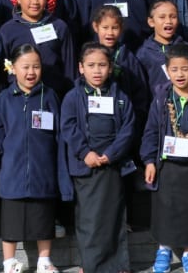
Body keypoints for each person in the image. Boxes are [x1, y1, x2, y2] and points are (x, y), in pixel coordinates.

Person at [0, 45, 72, 273]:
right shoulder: (4, 99)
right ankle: (9, 262)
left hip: (43, 169)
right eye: (25, 67)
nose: (31, 72)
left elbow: (60, 135)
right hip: (12, 170)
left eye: (36, 66)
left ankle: (44, 260)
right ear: (13, 68)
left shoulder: (50, 96)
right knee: (11, 219)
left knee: (43, 217)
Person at [60, 43, 136, 273]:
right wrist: (86, 153)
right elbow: (68, 127)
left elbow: (128, 129)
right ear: (80, 68)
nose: (97, 71)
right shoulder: (73, 97)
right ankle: (91, 266)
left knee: (113, 217)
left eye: (102, 65)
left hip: (112, 165)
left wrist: (111, 154)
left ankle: (117, 265)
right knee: (90, 221)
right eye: (91, 65)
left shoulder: (120, 96)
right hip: (87, 167)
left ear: (110, 68)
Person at [141, 43, 188, 273]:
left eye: (185, 69)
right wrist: (149, 161)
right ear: (167, 71)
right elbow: (151, 130)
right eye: (174, 70)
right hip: (166, 165)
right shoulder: (162, 97)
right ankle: (163, 249)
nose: (180, 74)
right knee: (164, 209)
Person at [0, 0, 77, 96]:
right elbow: (1, 72)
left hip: (53, 95)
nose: (35, 2)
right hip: (17, 97)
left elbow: (69, 69)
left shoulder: (59, 27)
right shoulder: (7, 31)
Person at [135, 0, 188, 90]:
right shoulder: (143, 53)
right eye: (162, 17)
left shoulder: (186, 49)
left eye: (173, 16)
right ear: (151, 22)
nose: (168, 21)